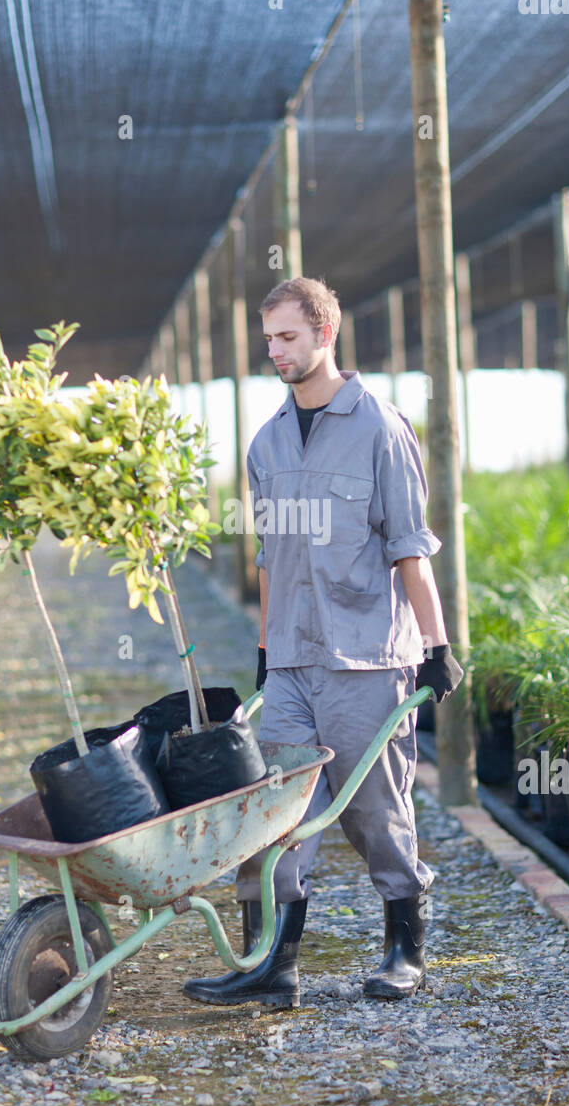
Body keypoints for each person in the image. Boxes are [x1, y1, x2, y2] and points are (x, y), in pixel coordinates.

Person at [183, 276, 464, 1010]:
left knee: (374, 810)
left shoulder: (380, 427)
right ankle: (272, 965)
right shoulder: (267, 443)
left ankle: (405, 949)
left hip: (367, 660)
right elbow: (270, 557)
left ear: (323, 336)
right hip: (293, 666)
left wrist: (435, 647)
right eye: (268, 337)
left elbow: (409, 548)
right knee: (270, 813)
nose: (274, 351)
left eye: (287, 337)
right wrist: (267, 652)